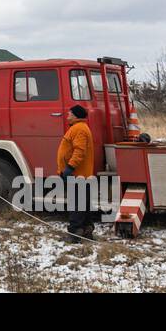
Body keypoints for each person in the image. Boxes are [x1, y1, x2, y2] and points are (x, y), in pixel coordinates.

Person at [57, 104, 97, 242]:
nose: (67, 116)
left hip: (77, 174)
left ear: (75, 115)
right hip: (80, 174)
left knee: (76, 204)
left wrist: (69, 167)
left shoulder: (79, 129)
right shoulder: (78, 128)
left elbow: (79, 151)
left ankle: (75, 233)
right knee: (83, 203)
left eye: (69, 114)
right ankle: (87, 230)